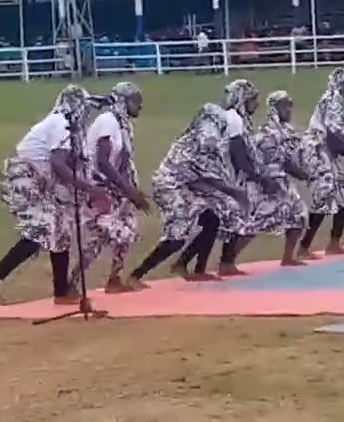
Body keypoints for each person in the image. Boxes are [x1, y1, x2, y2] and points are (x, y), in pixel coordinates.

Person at [0, 85, 101, 305]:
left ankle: (61, 292)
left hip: (37, 180)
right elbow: (58, 164)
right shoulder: (60, 123)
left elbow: (70, 165)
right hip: (18, 177)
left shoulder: (71, 129)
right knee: (44, 226)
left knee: (61, 230)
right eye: (82, 106)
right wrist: (86, 188)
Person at [127, 104, 247, 288]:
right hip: (168, 186)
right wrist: (236, 193)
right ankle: (136, 275)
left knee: (212, 220)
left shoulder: (198, 139)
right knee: (176, 237)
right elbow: (211, 178)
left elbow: (204, 177)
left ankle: (190, 267)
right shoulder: (198, 143)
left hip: (186, 185)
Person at [175, 79, 268, 278]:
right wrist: (255, 177)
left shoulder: (236, 118)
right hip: (227, 178)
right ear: (241, 99)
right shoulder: (233, 119)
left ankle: (215, 263)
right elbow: (237, 153)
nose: (256, 104)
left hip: (226, 177)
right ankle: (205, 263)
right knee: (232, 220)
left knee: (230, 222)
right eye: (252, 99)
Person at [68, 82, 149, 294]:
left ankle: (114, 278)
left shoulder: (123, 125)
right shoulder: (108, 121)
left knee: (128, 230)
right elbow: (102, 161)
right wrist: (128, 190)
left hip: (115, 189)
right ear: (122, 101)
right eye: (135, 101)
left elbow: (122, 162)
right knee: (109, 235)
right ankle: (72, 282)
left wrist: (130, 192)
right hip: (98, 188)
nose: (139, 106)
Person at [298, 68, 344, 258]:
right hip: (317, 151)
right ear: (337, 84)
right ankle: (303, 248)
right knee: (324, 197)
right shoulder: (332, 100)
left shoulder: (338, 102)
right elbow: (333, 137)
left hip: (327, 152)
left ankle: (333, 244)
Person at [249, 91, 312, 266]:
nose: (289, 110)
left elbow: (287, 160)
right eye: (285, 105)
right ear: (274, 108)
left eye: (290, 105)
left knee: (298, 216)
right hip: (267, 182)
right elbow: (277, 161)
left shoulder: (283, 130)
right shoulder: (270, 132)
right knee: (252, 223)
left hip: (280, 180)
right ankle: (227, 261)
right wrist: (303, 174)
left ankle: (288, 258)